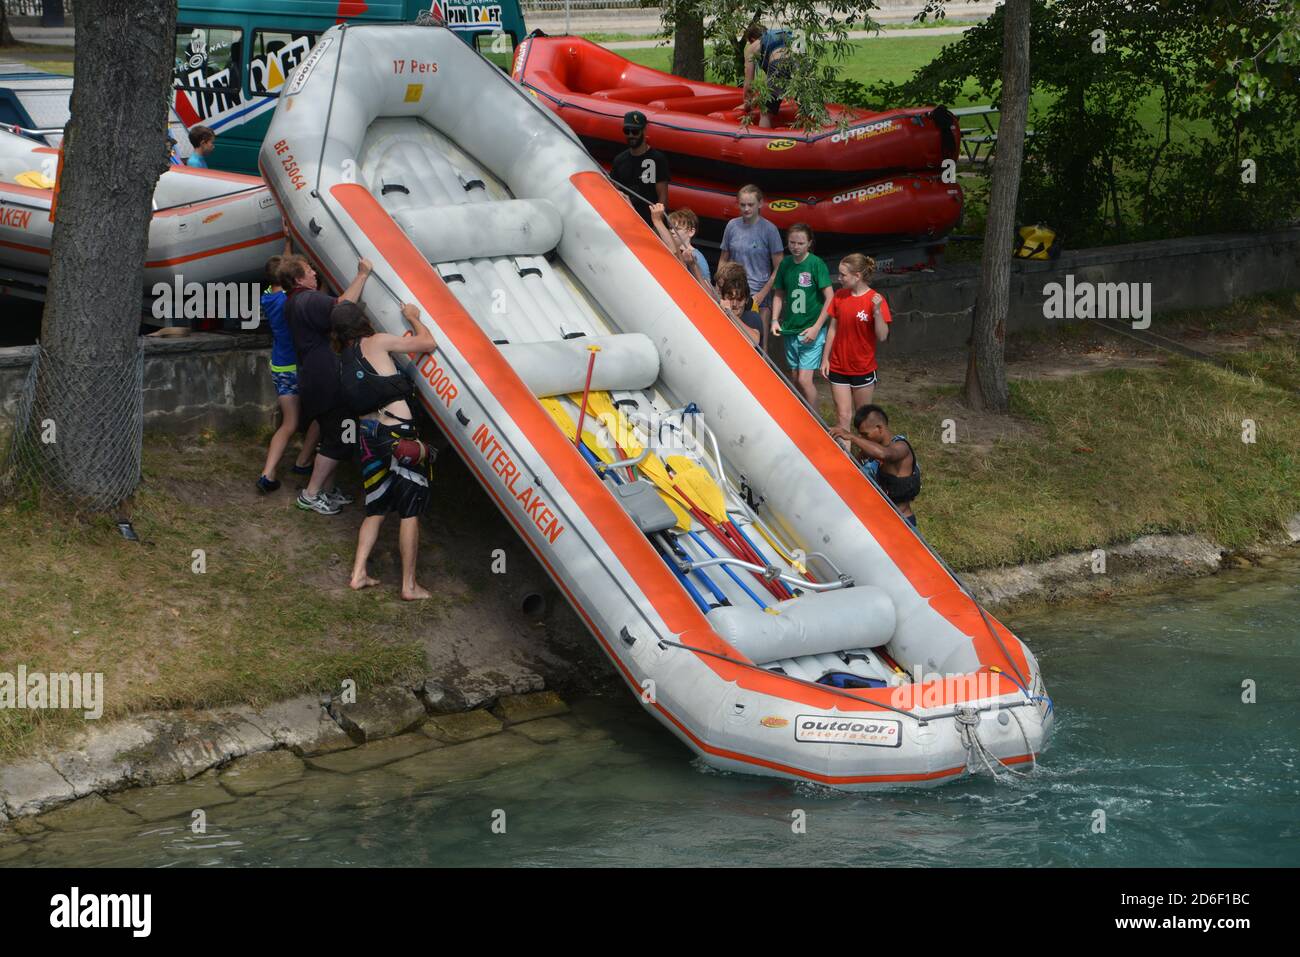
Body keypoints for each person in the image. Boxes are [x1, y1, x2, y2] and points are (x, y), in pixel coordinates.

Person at [333, 300, 438, 600]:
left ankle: (358, 574)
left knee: (375, 508)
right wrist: (414, 318)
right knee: (409, 510)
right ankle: (408, 586)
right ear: (362, 320)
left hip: (367, 436)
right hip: (398, 434)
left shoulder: (343, 357)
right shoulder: (376, 341)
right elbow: (428, 343)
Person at [279, 253, 373, 515]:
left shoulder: (293, 301)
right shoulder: (308, 298)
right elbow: (343, 307)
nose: (314, 273)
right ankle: (310, 494)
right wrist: (362, 274)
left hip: (314, 378)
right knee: (340, 439)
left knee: (332, 435)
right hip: (326, 379)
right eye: (309, 270)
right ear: (298, 278)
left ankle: (327, 491)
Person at [257, 232, 319, 493]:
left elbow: (282, 269)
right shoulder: (290, 300)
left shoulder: (267, 296)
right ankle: (304, 461)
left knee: (289, 423)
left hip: (279, 365)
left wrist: (288, 241)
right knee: (321, 417)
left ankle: (268, 473)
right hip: (297, 365)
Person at [821, 253, 890, 435]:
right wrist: (825, 359)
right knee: (843, 416)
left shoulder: (876, 300)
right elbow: (833, 329)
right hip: (838, 366)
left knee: (864, 420)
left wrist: (876, 312)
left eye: (843, 275)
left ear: (857, 276)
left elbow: (882, 336)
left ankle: (864, 460)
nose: (839, 278)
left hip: (862, 368)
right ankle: (844, 459)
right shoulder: (839, 296)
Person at [771, 223, 833, 407]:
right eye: (792, 242)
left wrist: (816, 327)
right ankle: (801, 414)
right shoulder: (785, 264)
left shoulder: (815, 264)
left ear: (809, 243)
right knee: (796, 379)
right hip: (790, 329)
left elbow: (830, 298)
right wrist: (775, 319)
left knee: (806, 380)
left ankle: (816, 421)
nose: (795, 246)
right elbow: (779, 294)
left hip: (810, 330)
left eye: (800, 243)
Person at [831, 404, 921, 528]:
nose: (863, 438)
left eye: (865, 434)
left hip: (900, 524)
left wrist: (852, 437)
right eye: (860, 435)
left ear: (879, 428)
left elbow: (884, 454)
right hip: (874, 520)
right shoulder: (869, 451)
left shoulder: (901, 447)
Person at [718, 185, 783, 350]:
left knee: (760, 345)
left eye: (750, 204)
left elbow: (779, 267)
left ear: (760, 204)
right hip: (733, 291)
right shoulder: (732, 225)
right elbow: (724, 258)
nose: (746, 209)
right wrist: (719, 283)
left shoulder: (769, 230)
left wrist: (763, 294)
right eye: (742, 205)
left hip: (758, 294)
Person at [609, 110, 670, 223]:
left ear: (644, 130)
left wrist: (658, 224)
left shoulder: (657, 159)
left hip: (650, 222)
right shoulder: (619, 160)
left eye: (635, 131)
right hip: (626, 220)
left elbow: (663, 197)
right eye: (627, 131)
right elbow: (614, 193)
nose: (631, 135)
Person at [649, 203, 711, 292]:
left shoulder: (697, 256)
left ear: (691, 232)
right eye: (670, 228)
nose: (672, 231)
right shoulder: (669, 248)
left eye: (677, 229)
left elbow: (708, 290)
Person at [742, 23, 794, 128]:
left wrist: (747, 104)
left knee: (765, 112)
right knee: (809, 106)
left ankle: (762, 141)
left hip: (779, 64)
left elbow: (749, 82)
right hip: (800, 63)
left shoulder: (753, 47)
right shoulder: (776, 36)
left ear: (752, 39)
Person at [715, 262, 762, 349]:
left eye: (739, 299)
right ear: (723, 297)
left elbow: (753, 341)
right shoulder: (719, 310)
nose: (734, 304)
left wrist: (731, 314)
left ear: (746, 300)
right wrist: (694, 266)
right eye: (730, 298)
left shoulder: (752, 316)